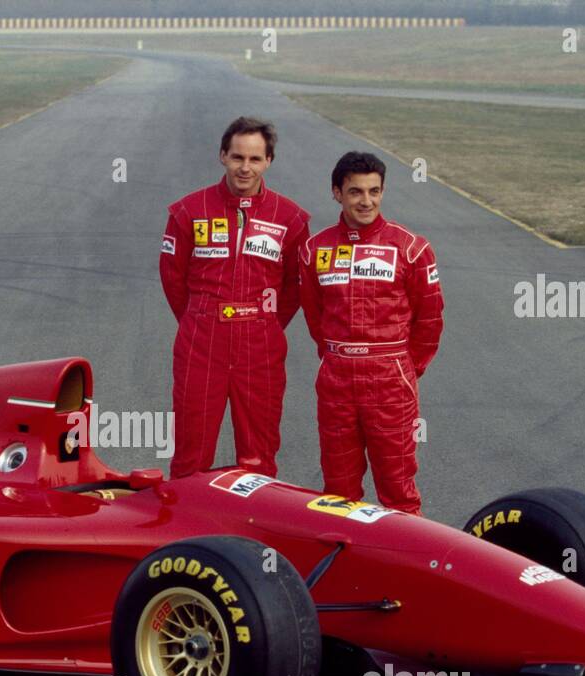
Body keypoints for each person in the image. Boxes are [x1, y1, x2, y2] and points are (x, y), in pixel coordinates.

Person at [160, 117, 310, 478]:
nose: (245, 167)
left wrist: (265, 321)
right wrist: (201, 316)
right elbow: (172, 277)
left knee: (258, 456)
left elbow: (296, 286)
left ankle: (251, 532)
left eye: (255, 159)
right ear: (222, 156)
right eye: (237, 157)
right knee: (191, 455)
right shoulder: (187, 211)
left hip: (260, 342)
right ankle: (189, 531)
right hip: (201, 340)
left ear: (269, 161)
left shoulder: (291, 218)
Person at [300, 151, 443, 515]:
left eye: (374, 191)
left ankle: (407, 567)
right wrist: (336, 356)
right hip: (336, 377)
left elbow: (429, 319)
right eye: (355, 192)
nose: (366, 201)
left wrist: (406, 368)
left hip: (390, 377)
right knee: (337, 490)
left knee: (398, 489)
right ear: (337, 193)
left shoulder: (412, 248)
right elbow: (315, 314)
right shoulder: (314, 249)